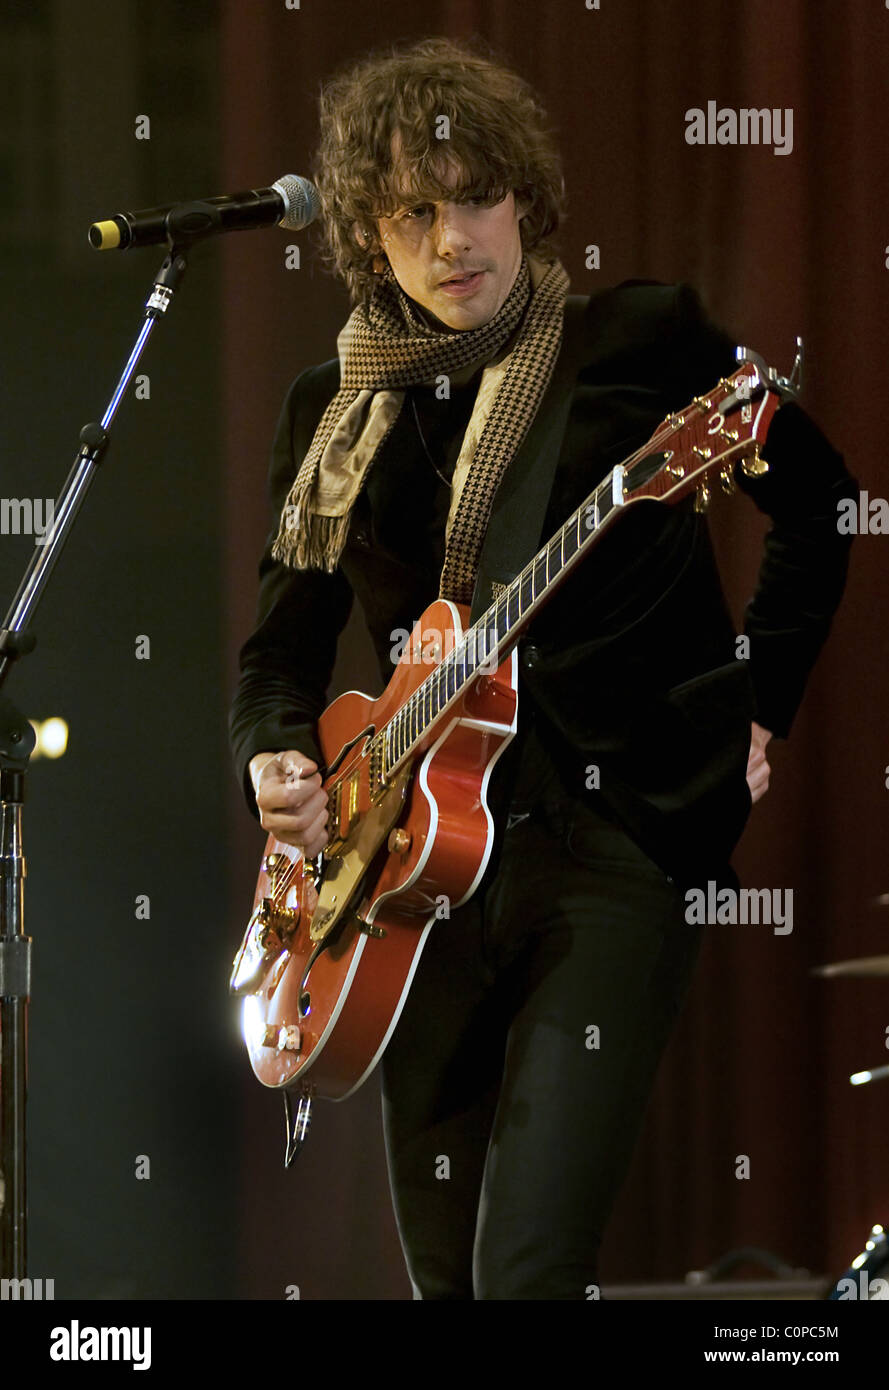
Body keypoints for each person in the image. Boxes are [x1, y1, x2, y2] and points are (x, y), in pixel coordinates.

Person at [229, 37, 856, 1299]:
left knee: (529, 1268)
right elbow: (282, 643)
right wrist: (277, 754)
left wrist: (760, 702)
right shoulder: (333, 406)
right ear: (365, 232)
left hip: (616, 837)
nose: (454, 236)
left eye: (477, 196)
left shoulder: (639, 341)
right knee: (445, 1278)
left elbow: (823, 504)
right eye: (415, 211)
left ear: (525, 195)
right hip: (412, 871)